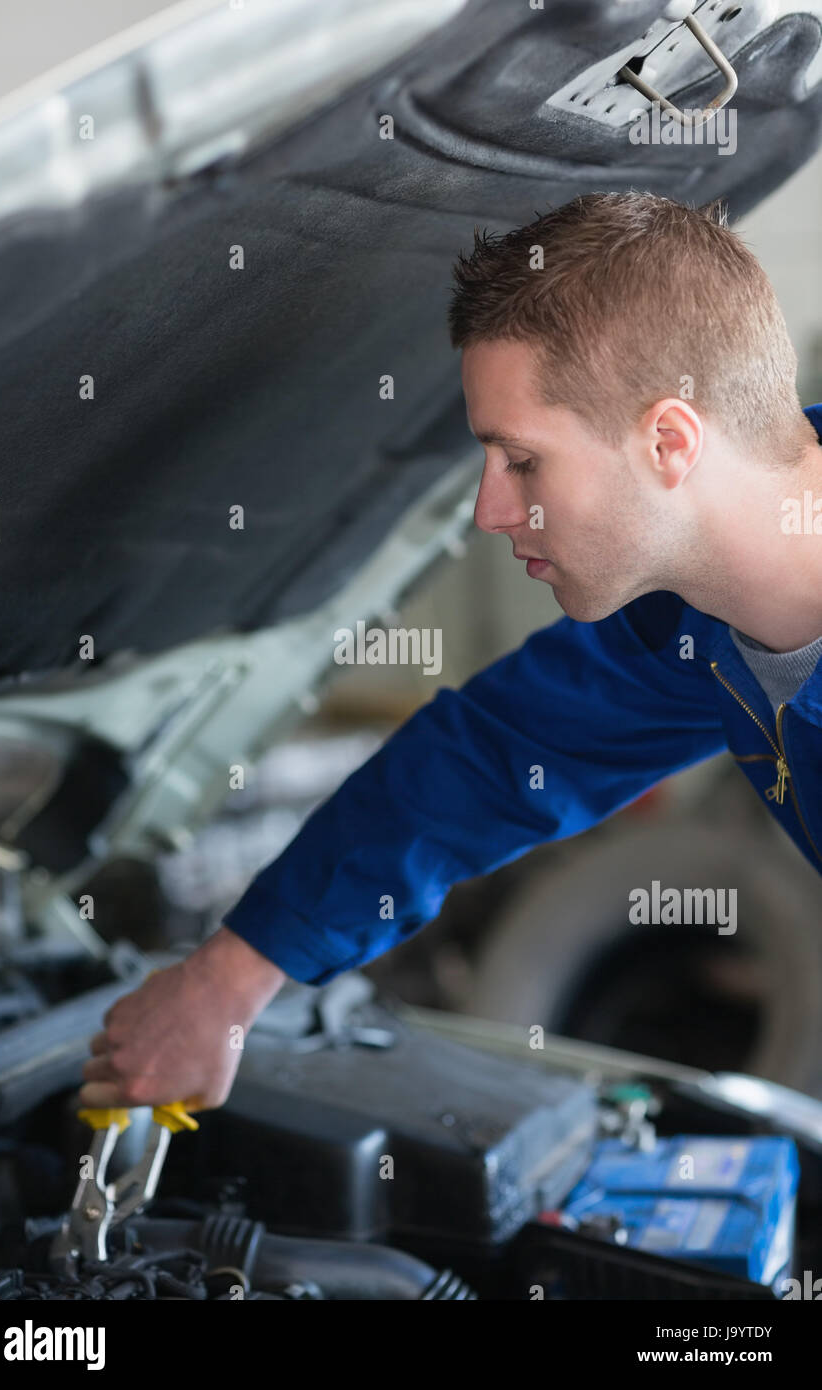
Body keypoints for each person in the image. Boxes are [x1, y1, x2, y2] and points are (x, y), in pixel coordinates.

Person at [80, 190, 822, 1113]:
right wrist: (229, 981)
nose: (489, 511)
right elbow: (494, 758)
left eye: (522, 461)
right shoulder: (695, 624)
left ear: (669, 441)